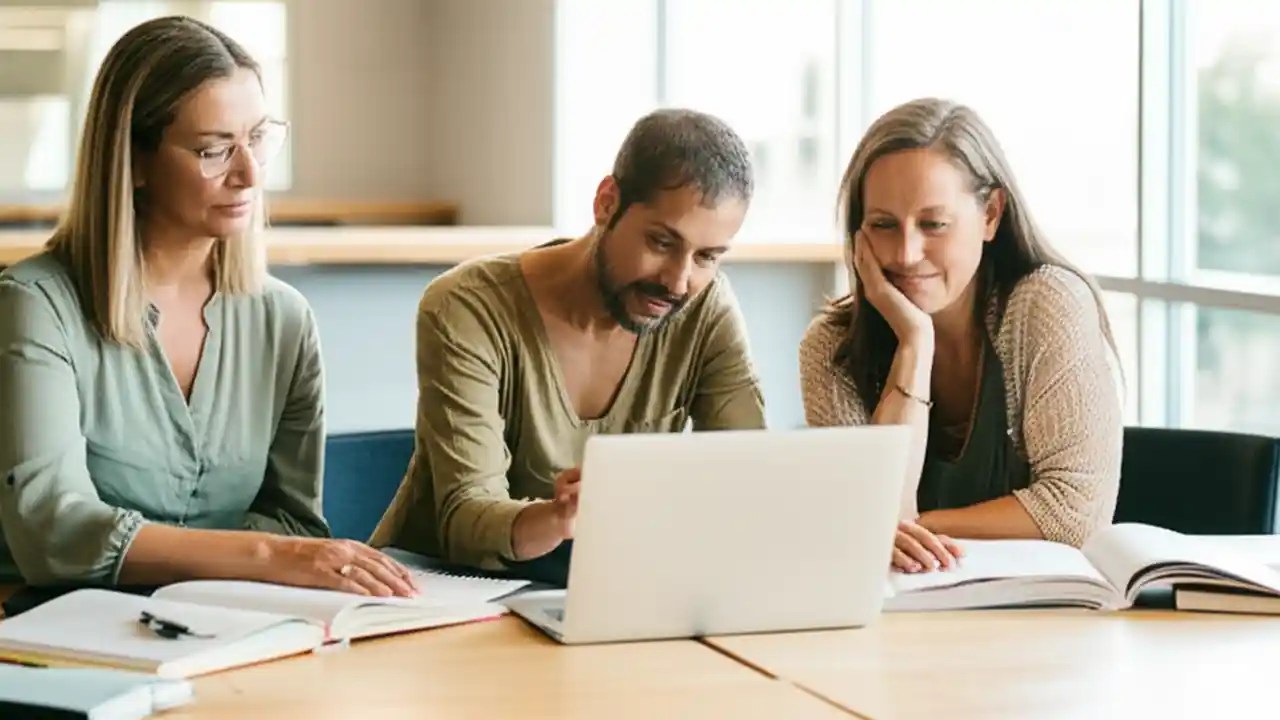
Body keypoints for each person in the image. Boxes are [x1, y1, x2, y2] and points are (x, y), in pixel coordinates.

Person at [0, 16, 415, 597]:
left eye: (258, 139)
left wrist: (269, 559)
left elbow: (294, 520)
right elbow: (54, 531)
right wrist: (268, 554)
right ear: (134, 161)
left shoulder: (283, 321)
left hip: (228, 625)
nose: (248, 174)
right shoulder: (35, 306)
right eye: (214, 150)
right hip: (53, 631)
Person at [370, 109, 766, 577]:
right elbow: (465, 520)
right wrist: (563, 517)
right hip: (433, 593)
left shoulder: (704, 309)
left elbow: (748, 479)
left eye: (706, 257)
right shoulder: (466, 307)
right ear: (606, 202)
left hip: (598, 593)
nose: (679, 283)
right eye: (661, 242)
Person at [799, 98, 1123, 574]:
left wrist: (914, 527)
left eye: (934, 224)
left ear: (991, 214)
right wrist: (915, 343)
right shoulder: (831, 350)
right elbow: (866, 522)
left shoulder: (1047, 306)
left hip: (1047, 622)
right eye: (883, 225)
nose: (906, 253)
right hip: (896, 625)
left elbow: (1073, 517)